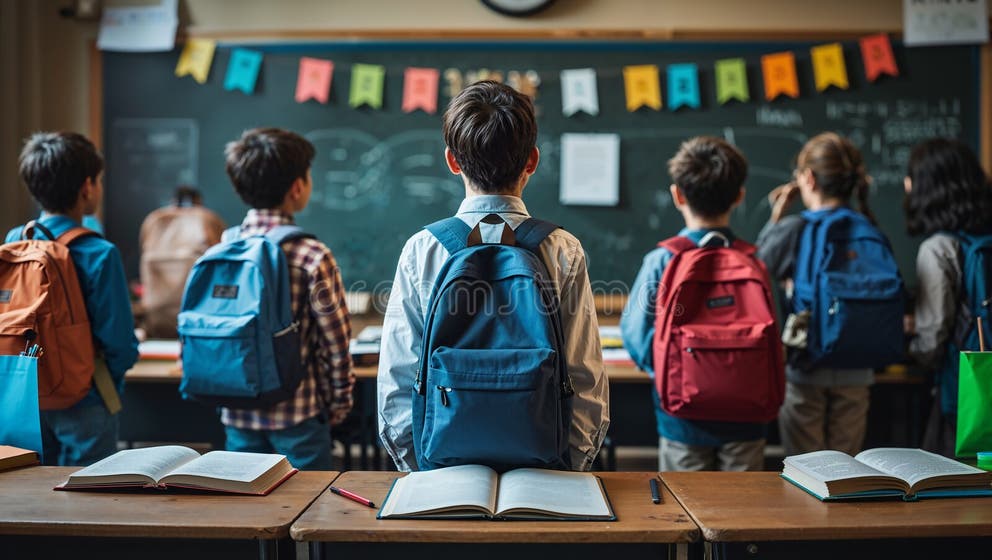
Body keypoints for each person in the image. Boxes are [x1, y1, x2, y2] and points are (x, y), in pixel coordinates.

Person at [377, 80, 609, 472]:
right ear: (532, 161)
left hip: (440, 467)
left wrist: (420, 469)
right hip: (544, 465)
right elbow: (586, 376)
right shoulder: (562, 247)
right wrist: (568, 467)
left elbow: (397, 377)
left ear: (452, 161)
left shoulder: (423, 248)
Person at [621, 136, 775, 471]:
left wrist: (666, 369)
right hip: (749, 414)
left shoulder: (662, 260)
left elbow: (634, 334)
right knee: (745, 513)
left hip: (681, 416)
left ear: (678, 196)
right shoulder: (756, 262)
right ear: (739, 197)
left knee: (685, 507)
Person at [219, 127, 354, 470]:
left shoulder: (224, 247)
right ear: (298, 188)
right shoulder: (311, 254)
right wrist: (339, 402)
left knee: (244, 509)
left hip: (237, 409)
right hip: (300, 414)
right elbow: (335, 343)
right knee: (309, 509)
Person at [5, 132, 139, 465]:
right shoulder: (99, 253)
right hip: (87, 395)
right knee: (88, 499)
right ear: (87, 187)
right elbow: (119, 342)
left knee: (29, 497)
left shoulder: (13, 243)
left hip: (22, 393)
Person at [756, 132, 888, 457]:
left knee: (806, 468)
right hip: (859, 366)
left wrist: (776, 216)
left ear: (809, 179)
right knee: (848, 467)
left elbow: (754, 269)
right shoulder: (869, 228)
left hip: (805, 364)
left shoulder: (794, 227)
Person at [903, 138, 992, 457]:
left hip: (968, 392)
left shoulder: (939, 248)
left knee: (950, 490)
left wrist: (909, 347)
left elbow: (933, 336)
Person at [138, 185, 225, 338]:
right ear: (199, 201)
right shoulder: (208, 219)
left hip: (156, 318)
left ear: (173, 201)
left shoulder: (154, 219)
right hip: (198, 322)